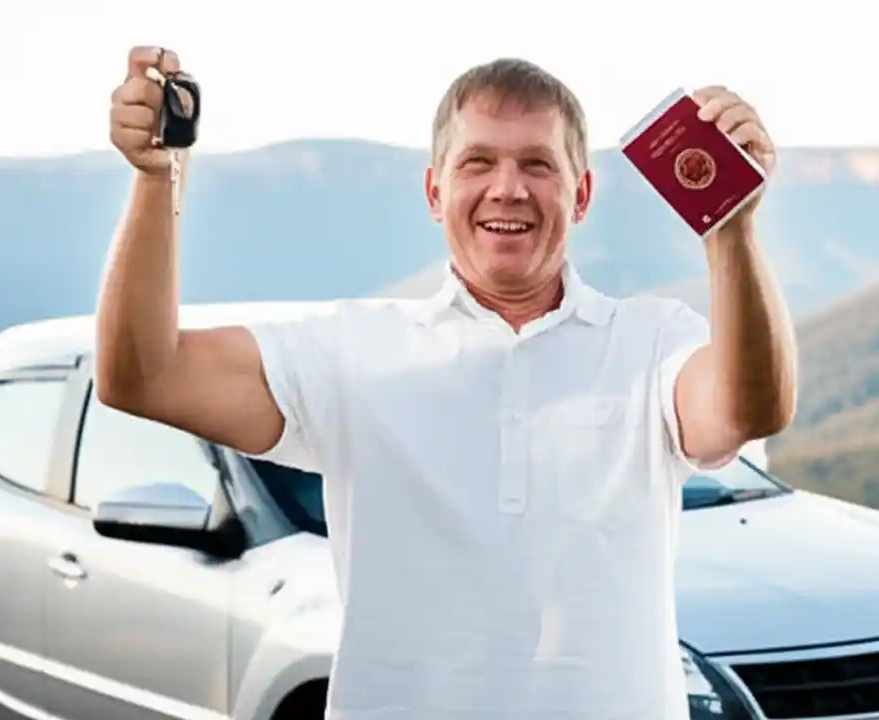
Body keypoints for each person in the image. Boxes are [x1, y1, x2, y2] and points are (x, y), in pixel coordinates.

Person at [99, 46, 797, 720]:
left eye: (537, 164)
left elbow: (750, 407)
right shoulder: (350, 352)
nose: (508, 188)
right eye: (478, 162)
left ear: (581, 194)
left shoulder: (651, 345)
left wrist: (730, 230)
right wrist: (157, 180)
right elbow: (143, 377)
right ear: (435, 192)